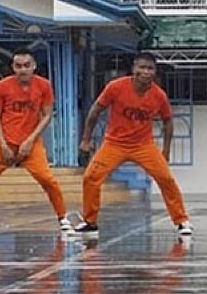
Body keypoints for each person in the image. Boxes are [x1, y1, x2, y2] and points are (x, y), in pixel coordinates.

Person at [77, 52, 192, 237]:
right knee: (91, 177)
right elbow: (95, 110)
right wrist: (86, 139)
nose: (145, 72)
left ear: (155, 72)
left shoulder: (159, 95)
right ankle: (90, 222)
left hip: (143, 145)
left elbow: (168, 121)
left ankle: (182, 221)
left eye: (150, 68)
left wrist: (166, 150)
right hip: (114, 143)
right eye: (142, 67)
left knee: (166, 179)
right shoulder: (116, 87)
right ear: (134, 69)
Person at [0, 47, 70, 231]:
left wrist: (30, 140)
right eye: (18, 66)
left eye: (26, 65)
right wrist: (2, 145)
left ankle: (63, 219)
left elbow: (47, 114)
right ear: (13, 67)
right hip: (4, 143)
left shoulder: (44, 85)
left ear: (34, 66)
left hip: (31, 145)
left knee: (48, 180)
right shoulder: (2, 86)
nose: (23, 70)